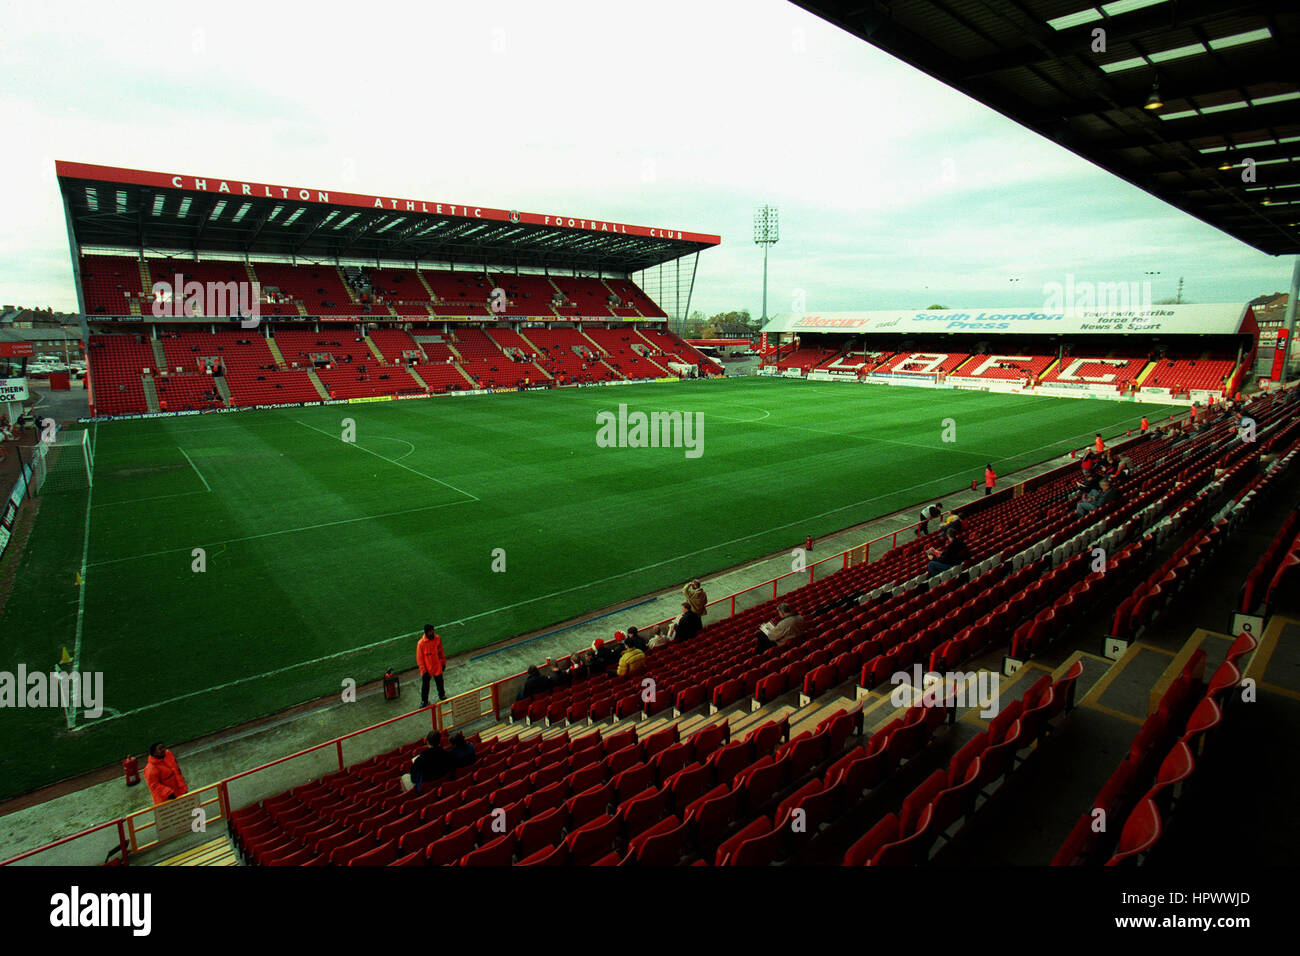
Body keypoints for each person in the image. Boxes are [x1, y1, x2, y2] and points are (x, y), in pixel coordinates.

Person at [416, 624, 447, 707]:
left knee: (440, 682)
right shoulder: (421, 644)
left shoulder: (437, 639)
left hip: (437, 666)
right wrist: (423, 671)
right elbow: (420, 659)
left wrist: (443, 663)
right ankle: (424, 701)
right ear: (426, 632)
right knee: (425, 686)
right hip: (427, 668)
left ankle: (442, 695)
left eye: (432, 631)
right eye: (430, 631)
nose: (432, 633)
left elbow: (441, 652)